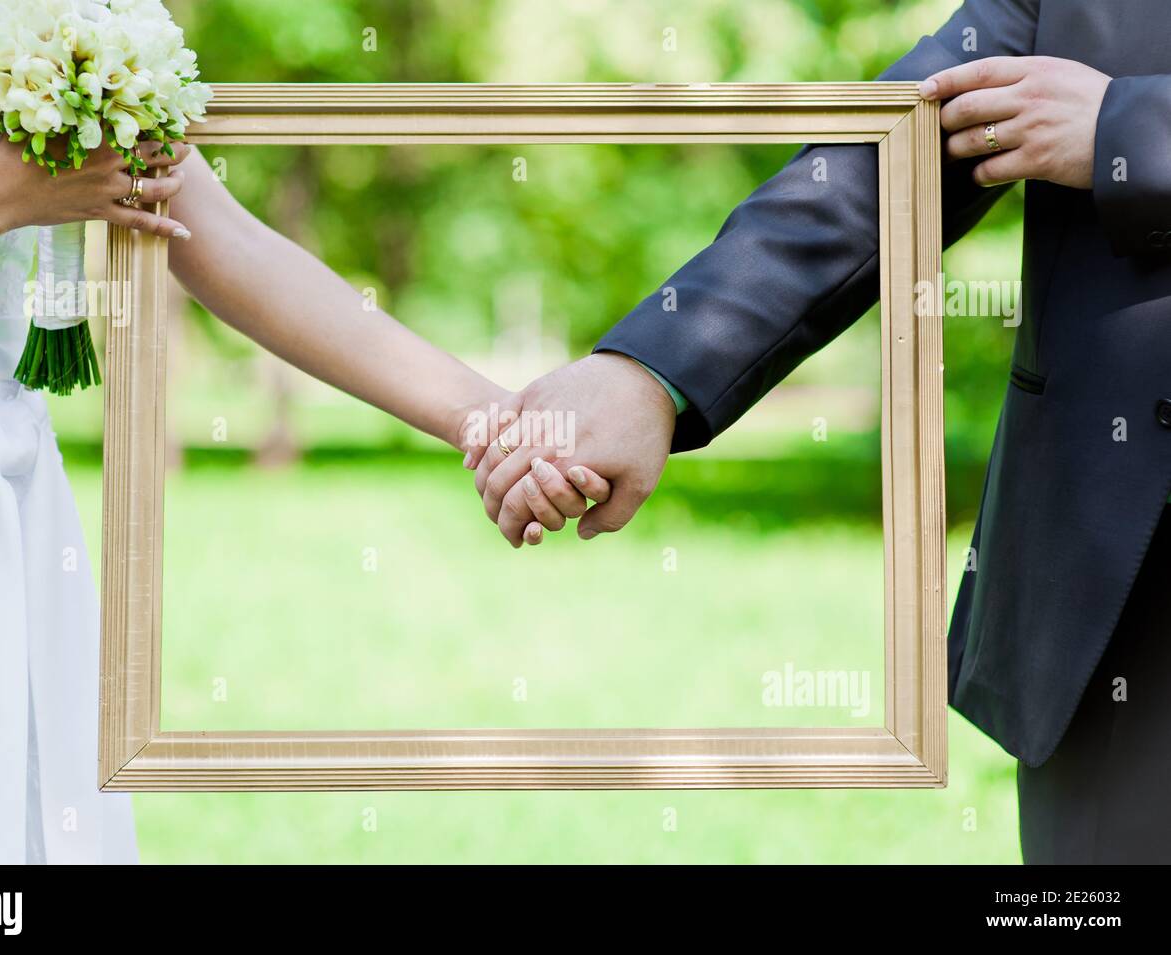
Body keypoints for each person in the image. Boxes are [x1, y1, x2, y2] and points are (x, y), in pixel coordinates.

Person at [0, 0, 605, 863]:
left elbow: (227, 246)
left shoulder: (80, 8)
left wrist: (495, 420)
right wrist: (1, 196)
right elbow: (14, 193)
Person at [474, 0, 1171, 863]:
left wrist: (1131, 127)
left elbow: (1117, 129)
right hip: (1116, 605)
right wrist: (650, 371)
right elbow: (883, 162)